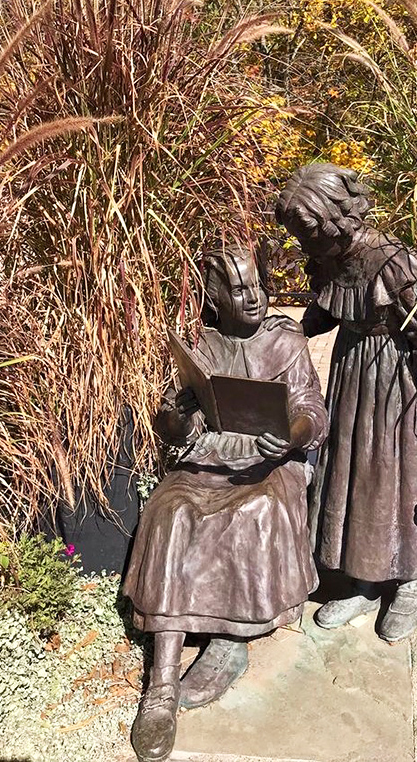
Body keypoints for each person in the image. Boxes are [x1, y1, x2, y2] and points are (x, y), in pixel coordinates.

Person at [123, 245, 328, 762]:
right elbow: (179, 429)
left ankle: (230, 641)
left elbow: (311, 411)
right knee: (172, 515)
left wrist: (291, 435)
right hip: (210, 457)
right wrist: (177, 414)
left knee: (251, 513)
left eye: (257, 286)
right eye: (238, 290)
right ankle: (162, 685)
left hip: (270, 460)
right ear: (215, 297)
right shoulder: (205, 345)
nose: (253, 297)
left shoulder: (286, 340)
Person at [275, 163, 417, 644]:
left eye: (310, 234)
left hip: (398, 383)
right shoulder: (331, 257)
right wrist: (280, 333)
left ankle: (410, 583)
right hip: (352, 371)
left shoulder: (395, 261)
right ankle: (365, 580)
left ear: (336, 218)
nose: (305, 246)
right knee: (354, 474)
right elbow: (325, 307)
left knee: (398, 477)